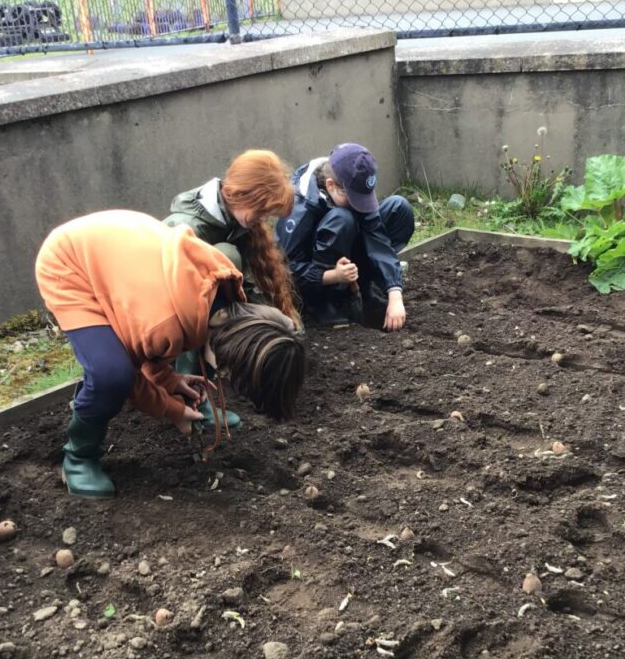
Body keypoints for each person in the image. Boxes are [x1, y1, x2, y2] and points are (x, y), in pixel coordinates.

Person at [35, 209, 305, 500]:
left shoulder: (223, 300)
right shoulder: (164, 322)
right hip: (70, 262)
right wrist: (172, 410)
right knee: (110, 375)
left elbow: (149, 344)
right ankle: (78, 458)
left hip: (117, 244)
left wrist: (170, 381)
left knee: (123, 361)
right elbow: (132, 375)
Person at [164, 149, 298, 431]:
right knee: (226, 257)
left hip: (204, 305)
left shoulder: (233, 218)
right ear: (234, 193)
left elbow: (245, 284)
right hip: (171, 309)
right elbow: (177, 299)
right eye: (261, 211)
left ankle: (198, 394)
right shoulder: (186, 229)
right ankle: (189, 403)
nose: (263, 219)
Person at [277, 143, 414, 331]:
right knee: (342, 218)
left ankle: (364, 288)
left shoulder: (352, 183)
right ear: (331, 185)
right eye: (353, 198)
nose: (360, 205)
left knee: (398, 208)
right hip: (315, 273)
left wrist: (395, 293)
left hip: (345, 260)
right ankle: (322, 302)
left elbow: (378, 239)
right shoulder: (299, 205)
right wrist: (331, 276)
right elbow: (287, 269)